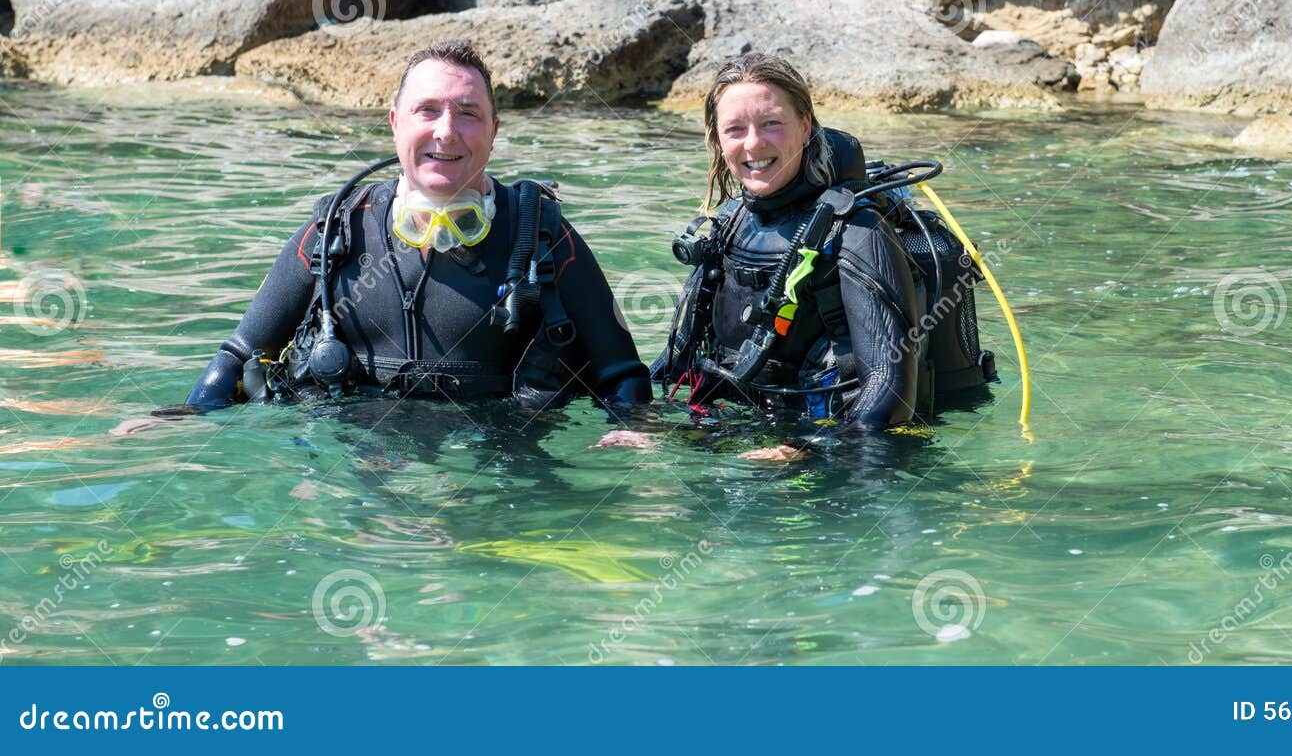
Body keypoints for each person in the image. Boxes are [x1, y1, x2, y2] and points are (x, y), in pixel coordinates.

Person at [175, 40, 651, 416]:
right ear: (395, 122)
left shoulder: (543, 237)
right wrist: (174, 421)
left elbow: (623, 374)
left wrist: (634, 438)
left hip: (505, 476)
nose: (446, 131)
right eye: (428, 110)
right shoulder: (337, 229)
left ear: (494, 130)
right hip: (357, 477)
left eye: (468, 113)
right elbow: (237, 358)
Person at [655, 53, 962, 460]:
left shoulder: (856, 230)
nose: (753, 143)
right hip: (746, 434)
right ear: (716, 139)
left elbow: (890, 395)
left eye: (772, 124)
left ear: (806, 127)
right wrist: (643, 422)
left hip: (839, 451)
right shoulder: (728, 225)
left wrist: (802, 450)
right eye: (735, 129)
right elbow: (678, 361)